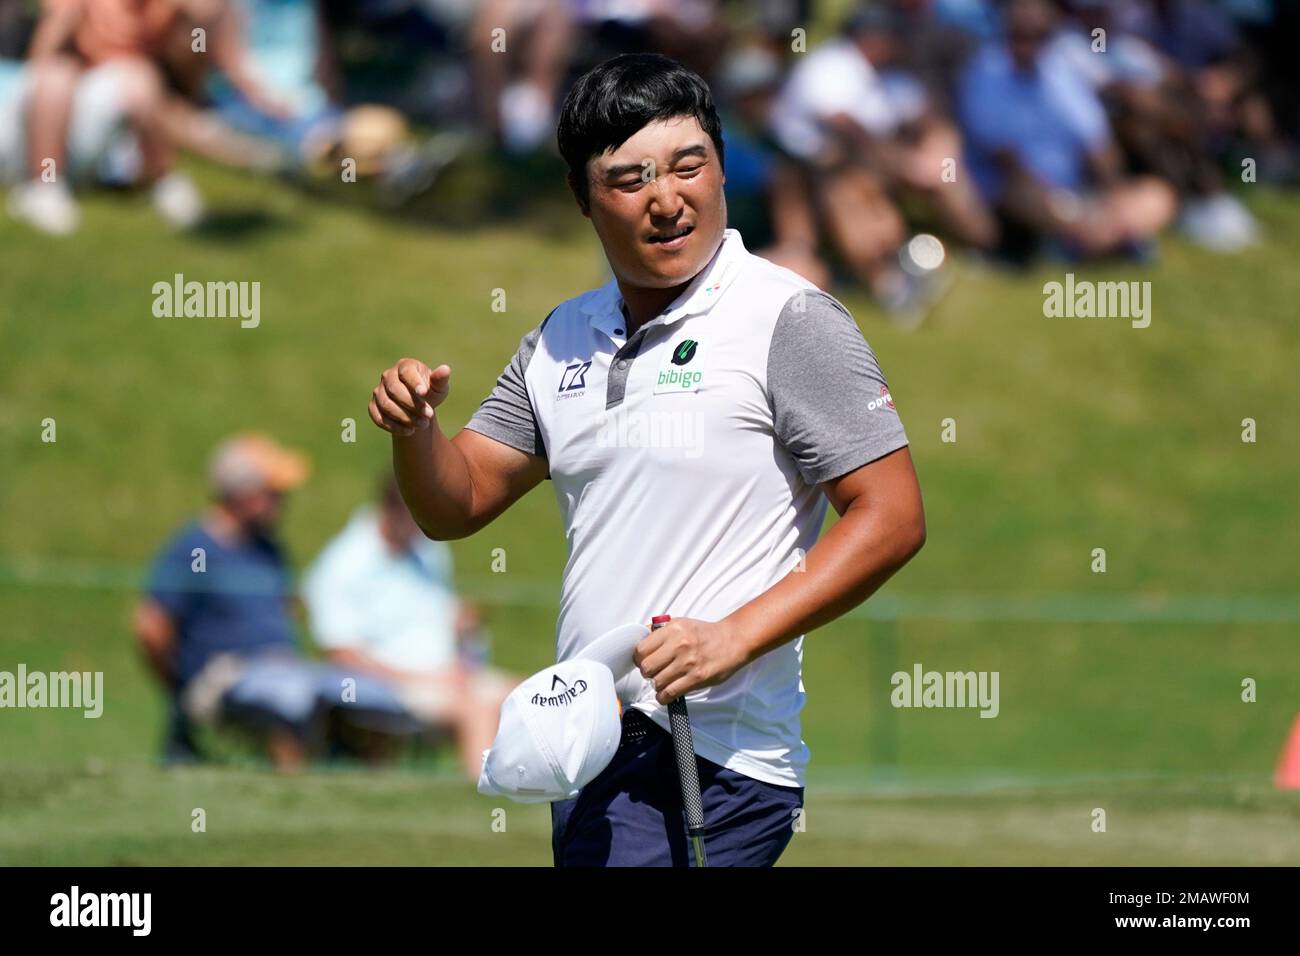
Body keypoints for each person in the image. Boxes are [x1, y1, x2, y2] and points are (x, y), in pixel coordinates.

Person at [368, 53, 927, 866]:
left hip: (713, 758)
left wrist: (730, 638)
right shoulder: (560, 338)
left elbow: (893, 515)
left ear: (722, 171)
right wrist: (414, 432)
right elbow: (456, 506)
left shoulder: (787, 318)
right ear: (584, 200)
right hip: (589, 748)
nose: (667, 199)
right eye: (630, 180)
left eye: (688, 167)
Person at [134, 433, 413, 769]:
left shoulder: (269, 551)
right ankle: (295, 797)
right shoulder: (194, 548)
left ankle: (366, 796)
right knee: (294, 700)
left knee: (373, 697)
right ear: (241, 494)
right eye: (273, 492)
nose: (282, 500)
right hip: (225, 676)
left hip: (283, 670)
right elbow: (151, 627)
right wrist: (182, 687)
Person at [302, 474, 517, 779]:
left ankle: (541, 803)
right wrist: (430, 678)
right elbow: (341, 655)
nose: (428, 525)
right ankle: (485, 808)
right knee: (476, 710)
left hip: (451, 674)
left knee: (531, 695)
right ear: (394, 511)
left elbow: (434, 613)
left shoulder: (426, 548)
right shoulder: (343, 564)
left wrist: (459, 624)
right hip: (396, 685)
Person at [957, 0, 1177, 260]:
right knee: (1025, 195)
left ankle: (1095, 238)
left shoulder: (1062, 73)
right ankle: (1099, 239)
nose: (1026, 45)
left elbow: (1096, 144)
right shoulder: (984, 73)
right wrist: (1060, 204)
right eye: (1019, 36)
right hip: (1017, 189)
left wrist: (1114, 194)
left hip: (1077, 193)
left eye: (1036, 36)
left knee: (1159, 195)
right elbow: (1004, 159)